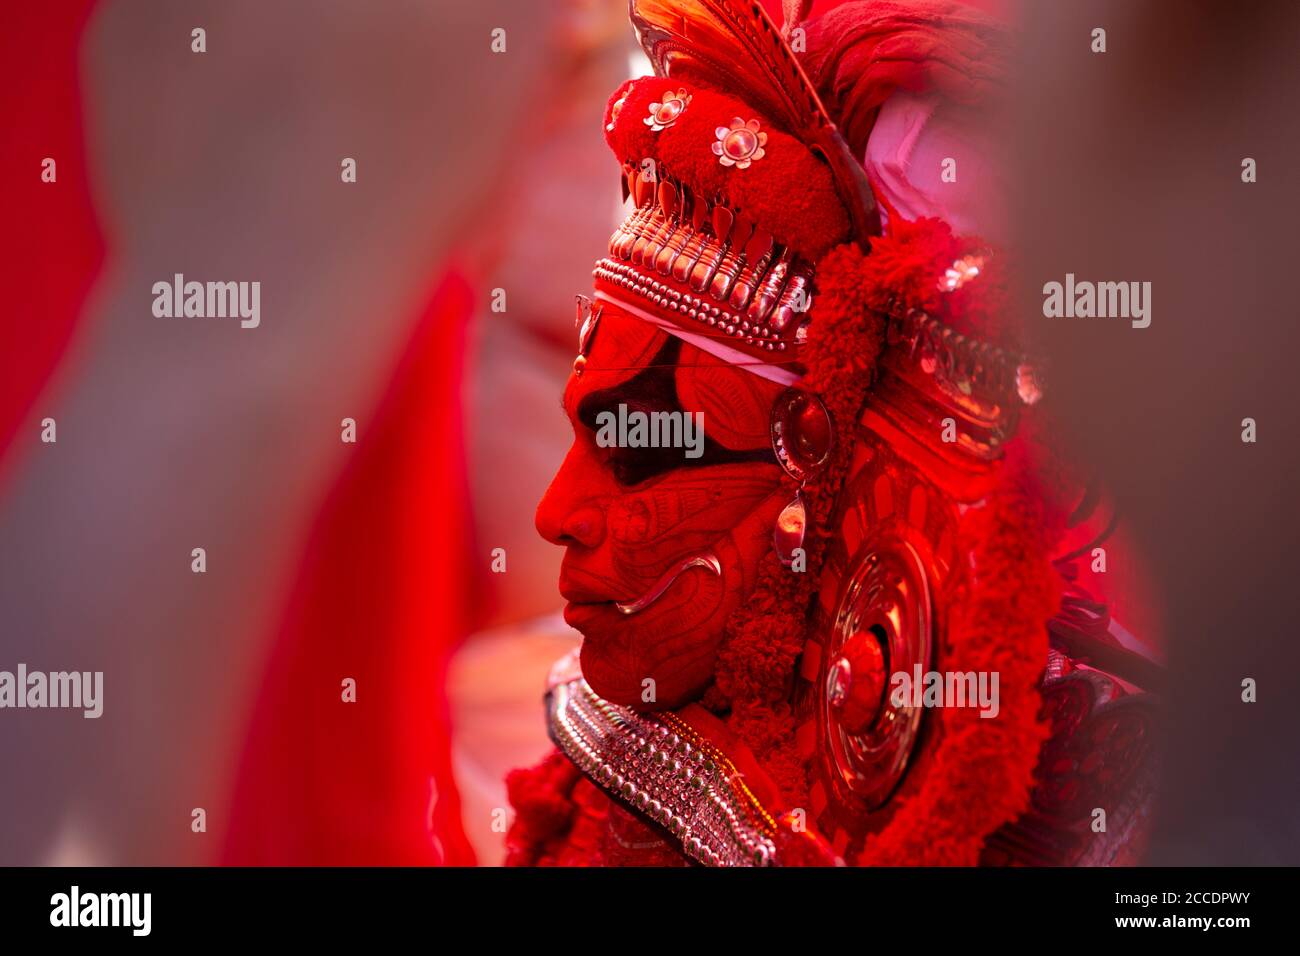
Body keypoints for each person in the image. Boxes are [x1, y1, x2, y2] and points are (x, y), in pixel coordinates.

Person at [505, 0, 1159, 867]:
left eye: (635, 450)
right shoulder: (604, 768)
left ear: (810, 463)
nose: (557, 513)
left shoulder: (1069, 773)